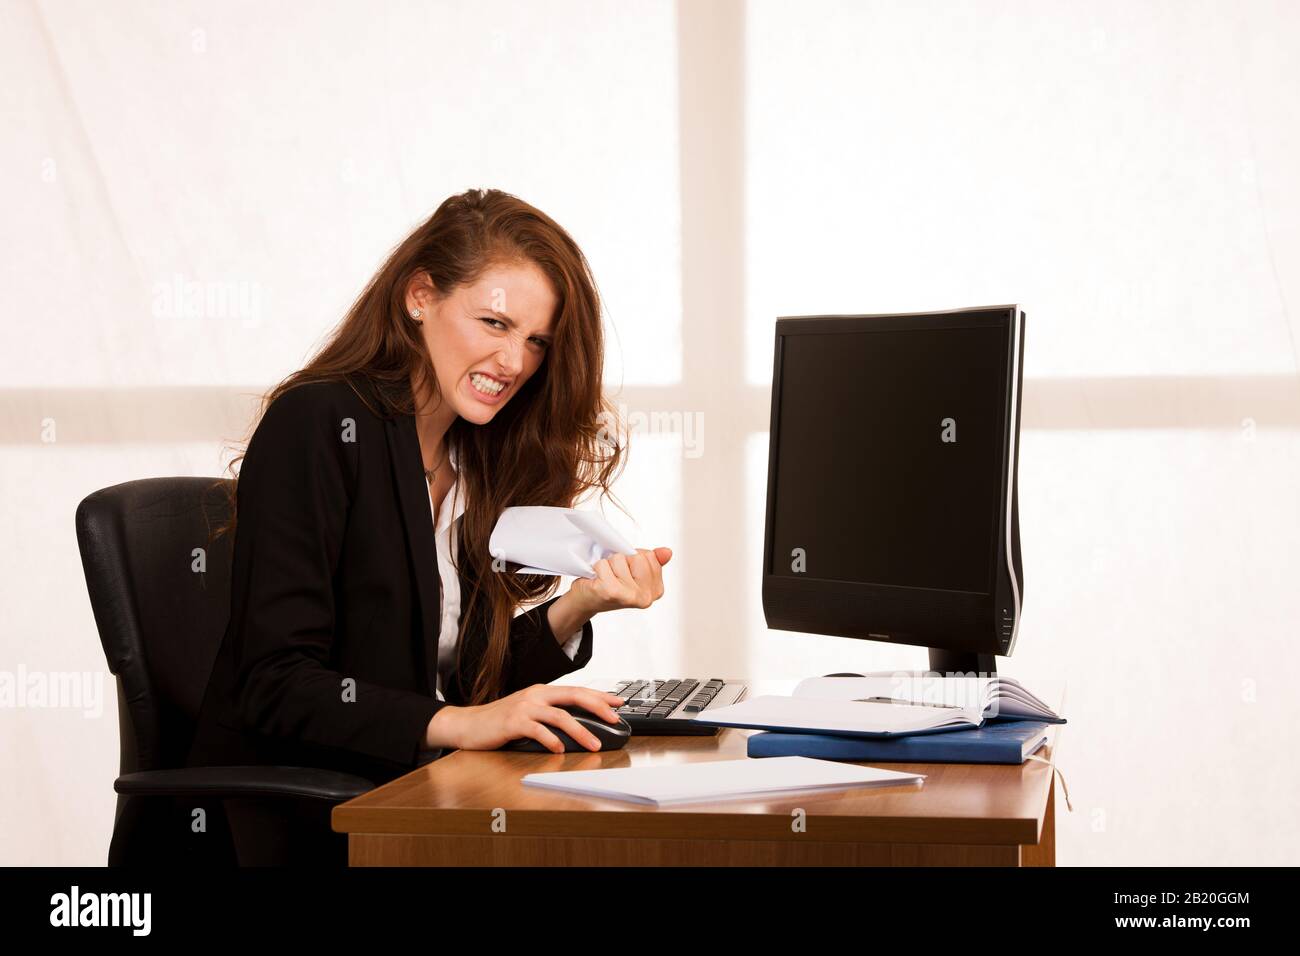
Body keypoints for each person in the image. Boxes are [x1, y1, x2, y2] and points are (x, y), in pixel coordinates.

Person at [187, 188, 671, 802]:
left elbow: (462, 683)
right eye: (495, 323)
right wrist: (464, 724)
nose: (514, 360)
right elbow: (276, 683)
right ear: (421, 297)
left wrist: (580, 604)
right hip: (305, 822)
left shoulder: (472, 455)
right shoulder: (320, 424)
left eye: (536, 341)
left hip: (420, 792)